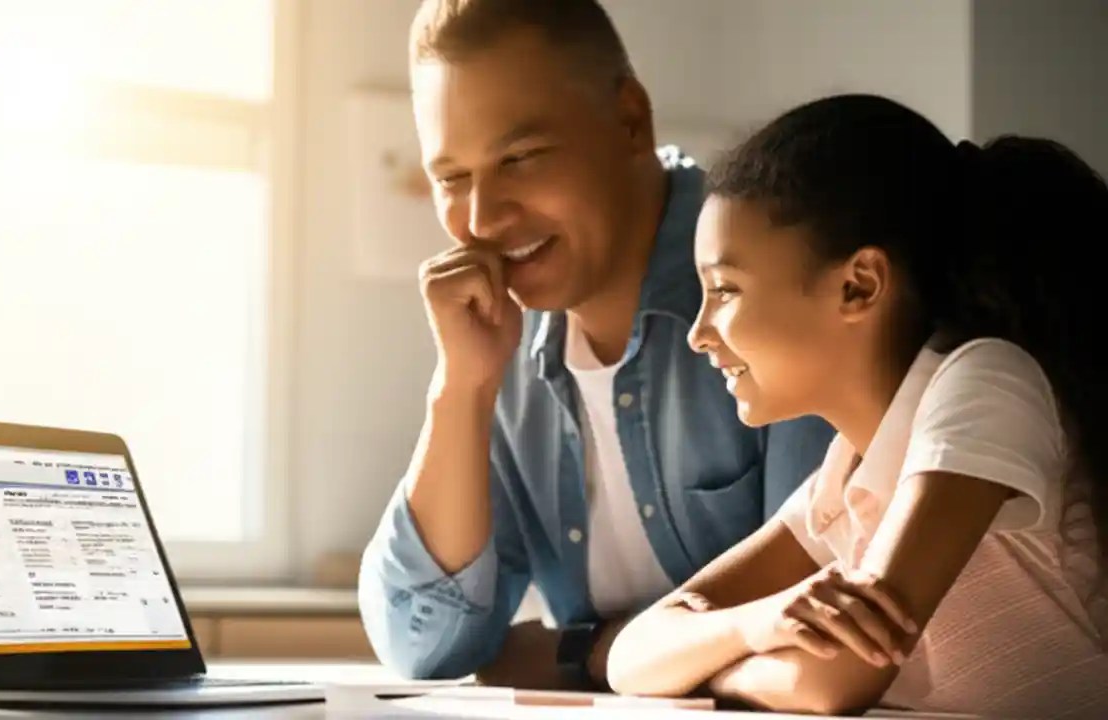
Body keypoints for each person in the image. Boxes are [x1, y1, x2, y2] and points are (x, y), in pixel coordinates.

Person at [356, 0, 833, 689]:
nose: (483, 219)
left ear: (629, 121)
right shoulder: (502, 346)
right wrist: (460, 389)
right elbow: (423, 645)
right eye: (451, 179)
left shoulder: (775, 283)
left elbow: (812, 621)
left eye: (519, 158)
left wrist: (579, 657)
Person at [605, 92, 1108, 718]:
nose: (698, 333)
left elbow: (832, 681)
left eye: (726, 290)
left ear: (858, 285)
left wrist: (713, 670)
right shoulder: (845, 476)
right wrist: (758, 625)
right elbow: (631, 656)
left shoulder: (986, 383)